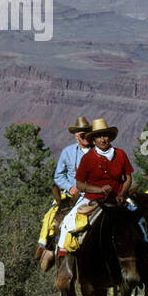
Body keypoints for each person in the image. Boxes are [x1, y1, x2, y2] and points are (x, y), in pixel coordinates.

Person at [55, 118, 134, 287]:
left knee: (139, 219)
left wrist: (122, 193)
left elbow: (128, 178)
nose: (103, 139)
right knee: (68, 223)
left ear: (110, 137)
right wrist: (98, 190)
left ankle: (141, 261)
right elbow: (80, 184)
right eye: (99, 137)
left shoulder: (120, 154)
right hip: (92, 199)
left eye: (106, 136)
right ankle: (65, 267)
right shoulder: (88, 158)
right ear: (95, 139)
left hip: (118, 198)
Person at [37, 116, 92, 270]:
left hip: (93, 195)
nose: (86, 137)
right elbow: (58, 176)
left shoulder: (98, 152)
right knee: (52, 220)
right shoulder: (67, 152)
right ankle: (48, 249)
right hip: (71, 196)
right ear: (76, 136)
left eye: (88, 134)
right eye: (82, 135)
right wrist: (70, 187)